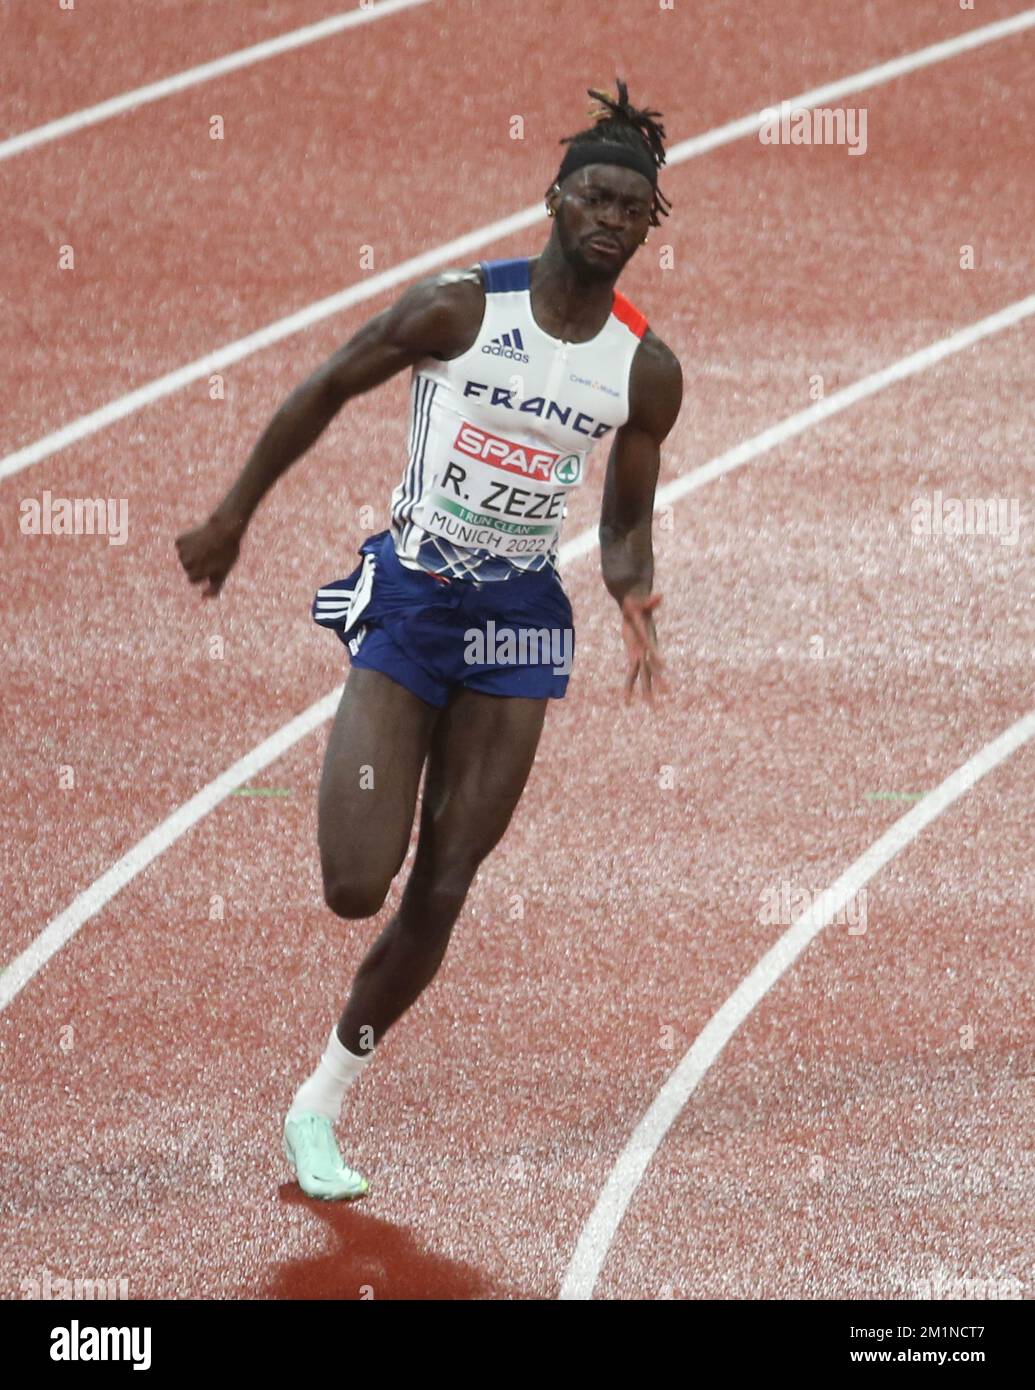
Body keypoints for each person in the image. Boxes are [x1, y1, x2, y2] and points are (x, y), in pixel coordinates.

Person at [175, 79, 683, 1199]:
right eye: (594, 194)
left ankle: (321, 1101)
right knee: (359, 882)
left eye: (632, 208)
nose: (609, 216)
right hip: (412, 602)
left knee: (444, 883)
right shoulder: (460, 308)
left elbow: (626, 518)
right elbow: (327, 385)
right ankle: (377, 766)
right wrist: (232, 517)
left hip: (516, 629)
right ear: (554, 197)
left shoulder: (645, 371)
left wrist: (633, 596)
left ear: (650, 227)